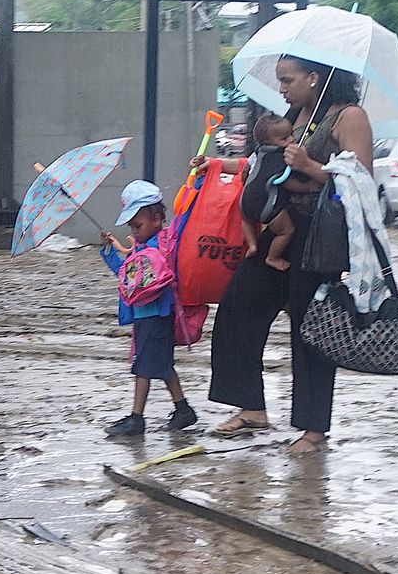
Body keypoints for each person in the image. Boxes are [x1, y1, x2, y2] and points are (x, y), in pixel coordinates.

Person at [208, 56, 374, 455]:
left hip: (319, 236)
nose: (281, 88)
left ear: (314, 78)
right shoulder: (297, 115)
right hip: (283, 225)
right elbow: (266, 163)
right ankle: (251, 406)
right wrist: (217, 166)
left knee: (310, 329)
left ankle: (314, 431)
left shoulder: (349, 117)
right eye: (280, 80)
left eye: (288, 80)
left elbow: (363, 179)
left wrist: (311, 166)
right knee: (238, 305)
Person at [100, 180, 198, 437]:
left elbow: (185, 217)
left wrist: (197, 182)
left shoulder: (165, 246)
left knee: (143, 367)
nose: (134, 232)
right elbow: (126, 278)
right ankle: (183, 409)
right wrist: (109, 251)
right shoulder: (141, 250)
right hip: (146, 317)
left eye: (138, 226)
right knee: (163, 366)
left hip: (156, 316)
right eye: (132, 227)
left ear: (156, 219)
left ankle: (137, 418)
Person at [191, 114, 305, 272]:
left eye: (292, 134)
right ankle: (272, 257)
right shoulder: (283, 157)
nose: (292, 139)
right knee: (286, 231)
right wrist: (308, 187)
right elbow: (287, 182)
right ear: (268, 142)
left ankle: (252, 245)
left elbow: (245, 170)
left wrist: (246, 184)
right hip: (268, 206)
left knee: (246, 220)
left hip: (245, 201)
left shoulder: (257, 153)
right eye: (285, 138)